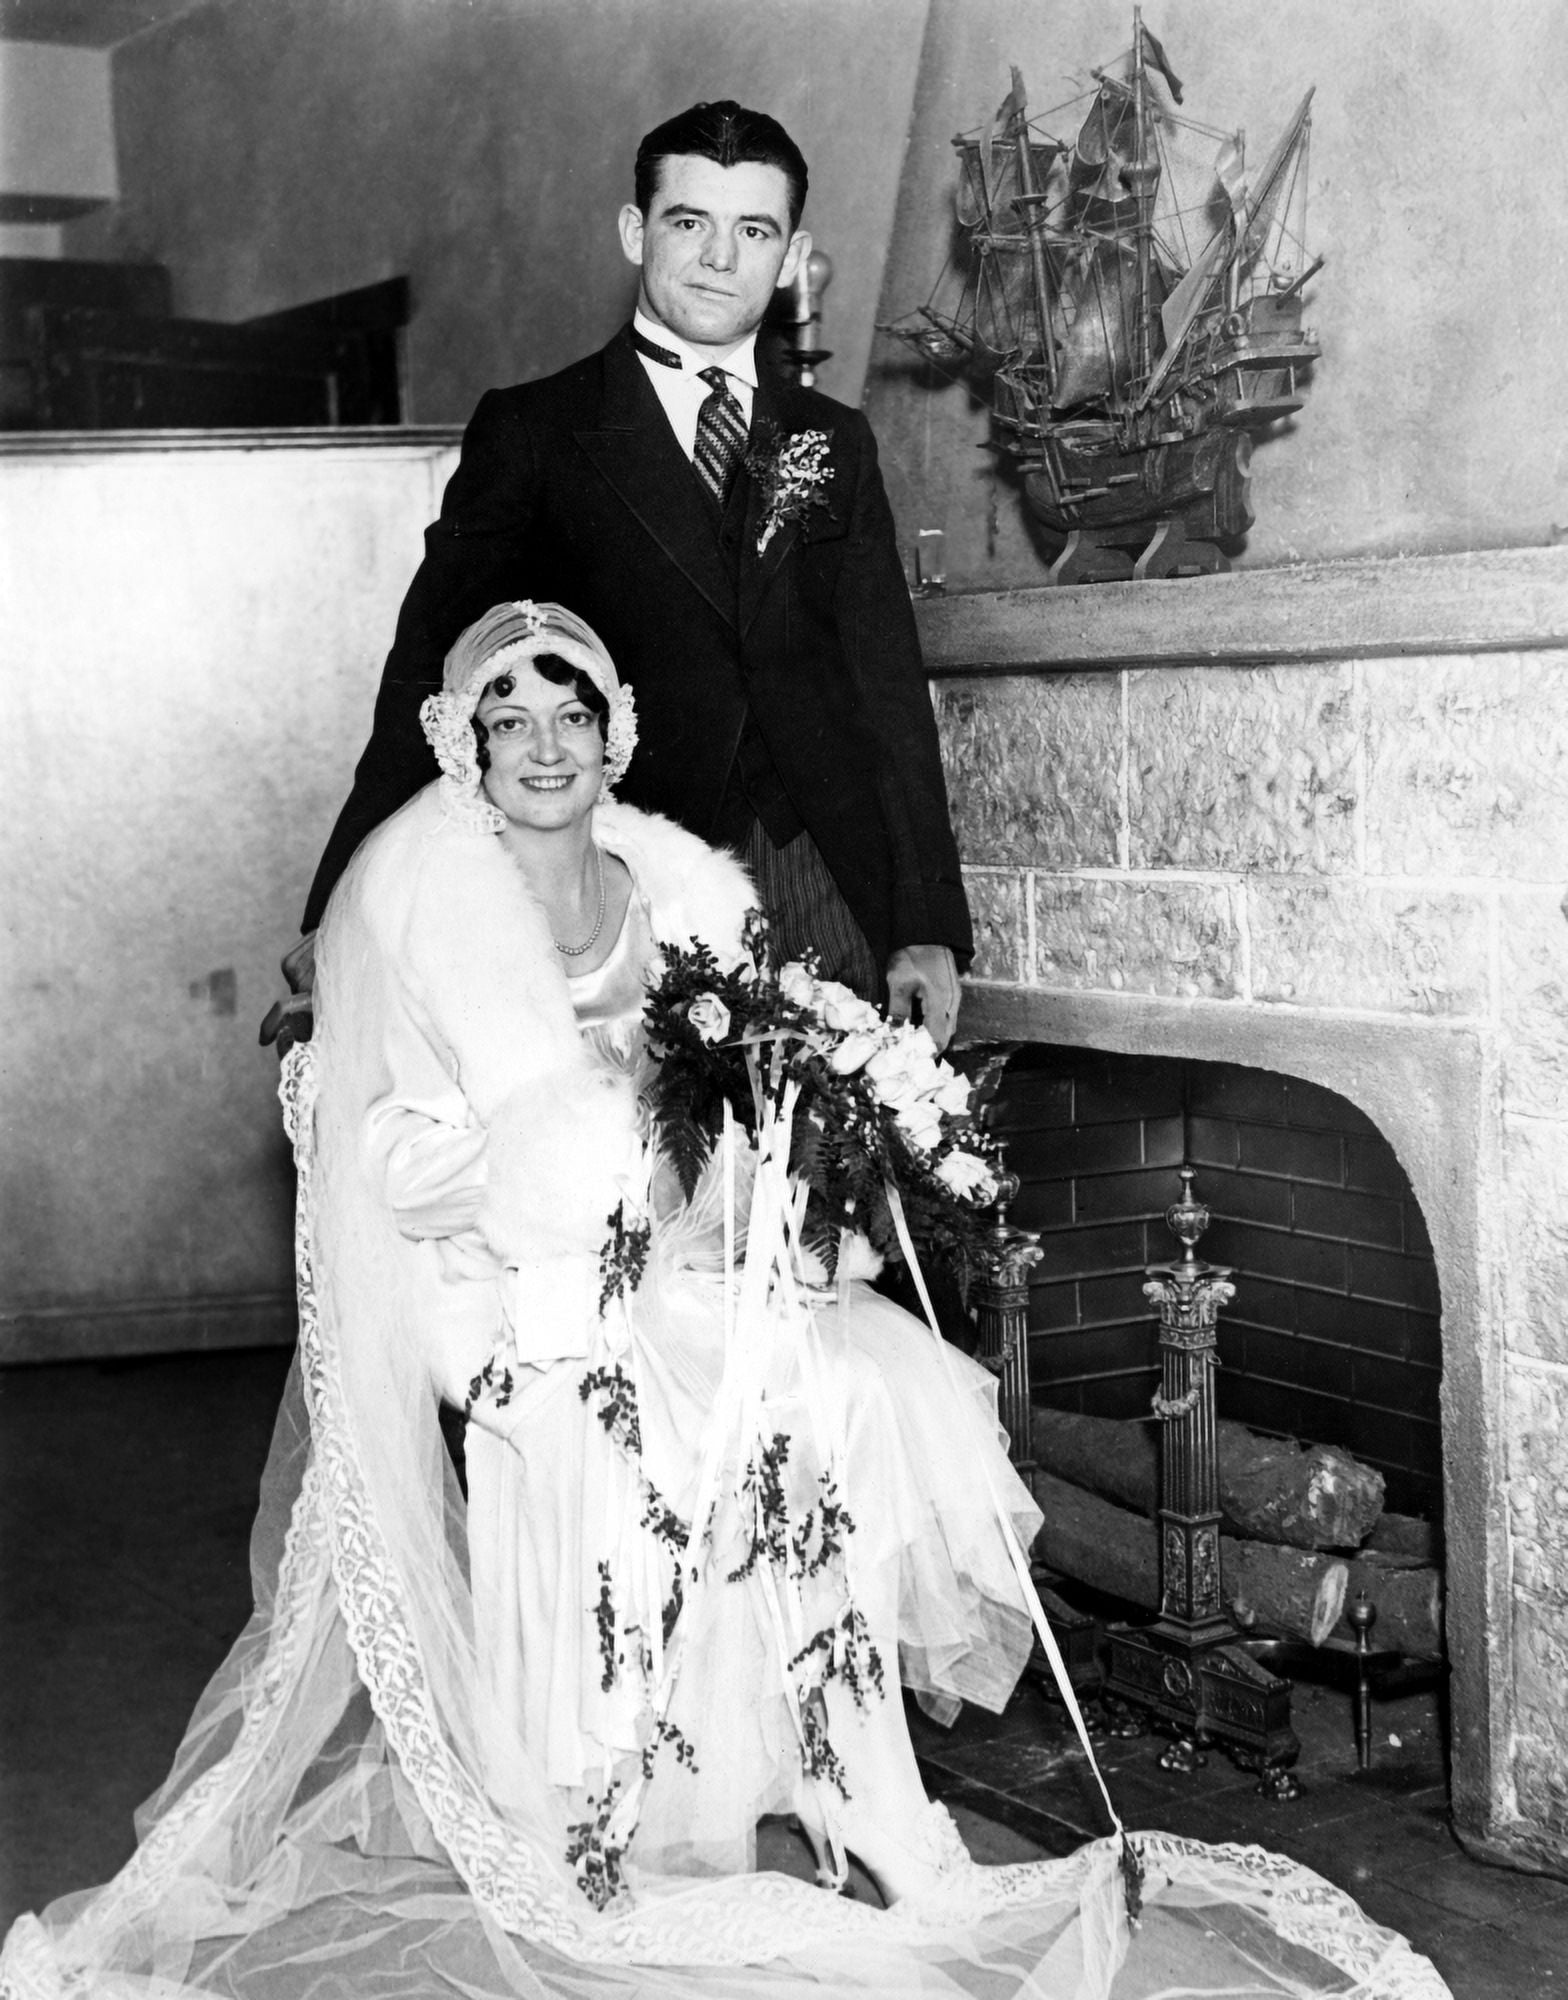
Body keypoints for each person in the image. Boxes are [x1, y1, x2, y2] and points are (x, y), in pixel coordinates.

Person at [3, 602, 1453, 2000]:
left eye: (575, 713)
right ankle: (607, 1809)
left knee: (850, 1381)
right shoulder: (419, 896)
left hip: (684, 1258)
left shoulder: (676, 889)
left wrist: (774, 1168)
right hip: (511, 1282)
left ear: (616, 731)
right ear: (464, 746)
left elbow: (735, 1103)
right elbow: (384, 1151)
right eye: (513, 723)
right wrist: (556, 1163)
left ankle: (871, 1807)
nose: (549, 746)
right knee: (682, 1404)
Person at [272, 99, 970, 1059]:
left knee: (819, 1186)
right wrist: (339, 911)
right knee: (650, 1190)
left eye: (753, 229)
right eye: (691, 222)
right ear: (636, 231)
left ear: (792, 252)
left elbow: (887, 686)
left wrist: (923, 916)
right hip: (628, 882)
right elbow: (429, 677)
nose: (721, 257)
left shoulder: (833, 442)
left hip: (824, 884)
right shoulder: (537, 431)